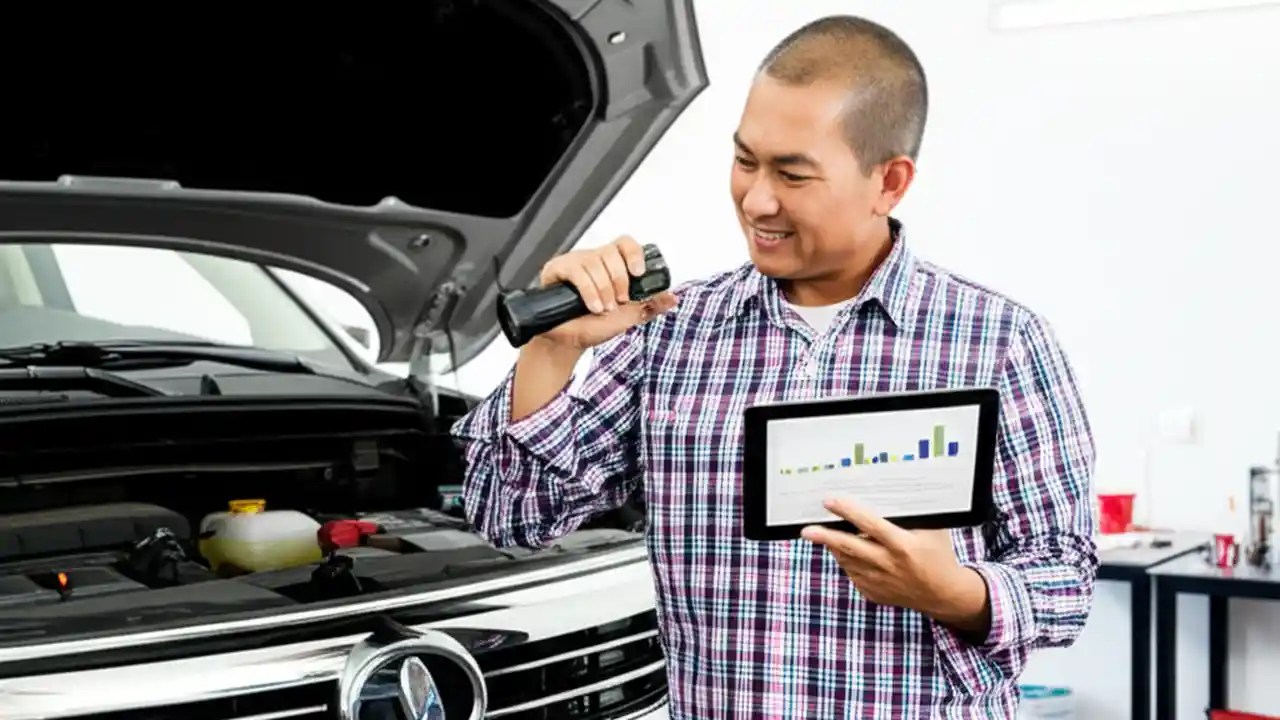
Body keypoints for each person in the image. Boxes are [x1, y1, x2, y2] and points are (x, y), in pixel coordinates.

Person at [452, 14, 1097, 719]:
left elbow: (1064, 579)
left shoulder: (998, 343)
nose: (757, 199)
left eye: (793, 173)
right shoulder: (670, 333)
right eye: (745, 160)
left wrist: (954, 592)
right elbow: (509, 518)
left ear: (890, 182)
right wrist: (556, 349)